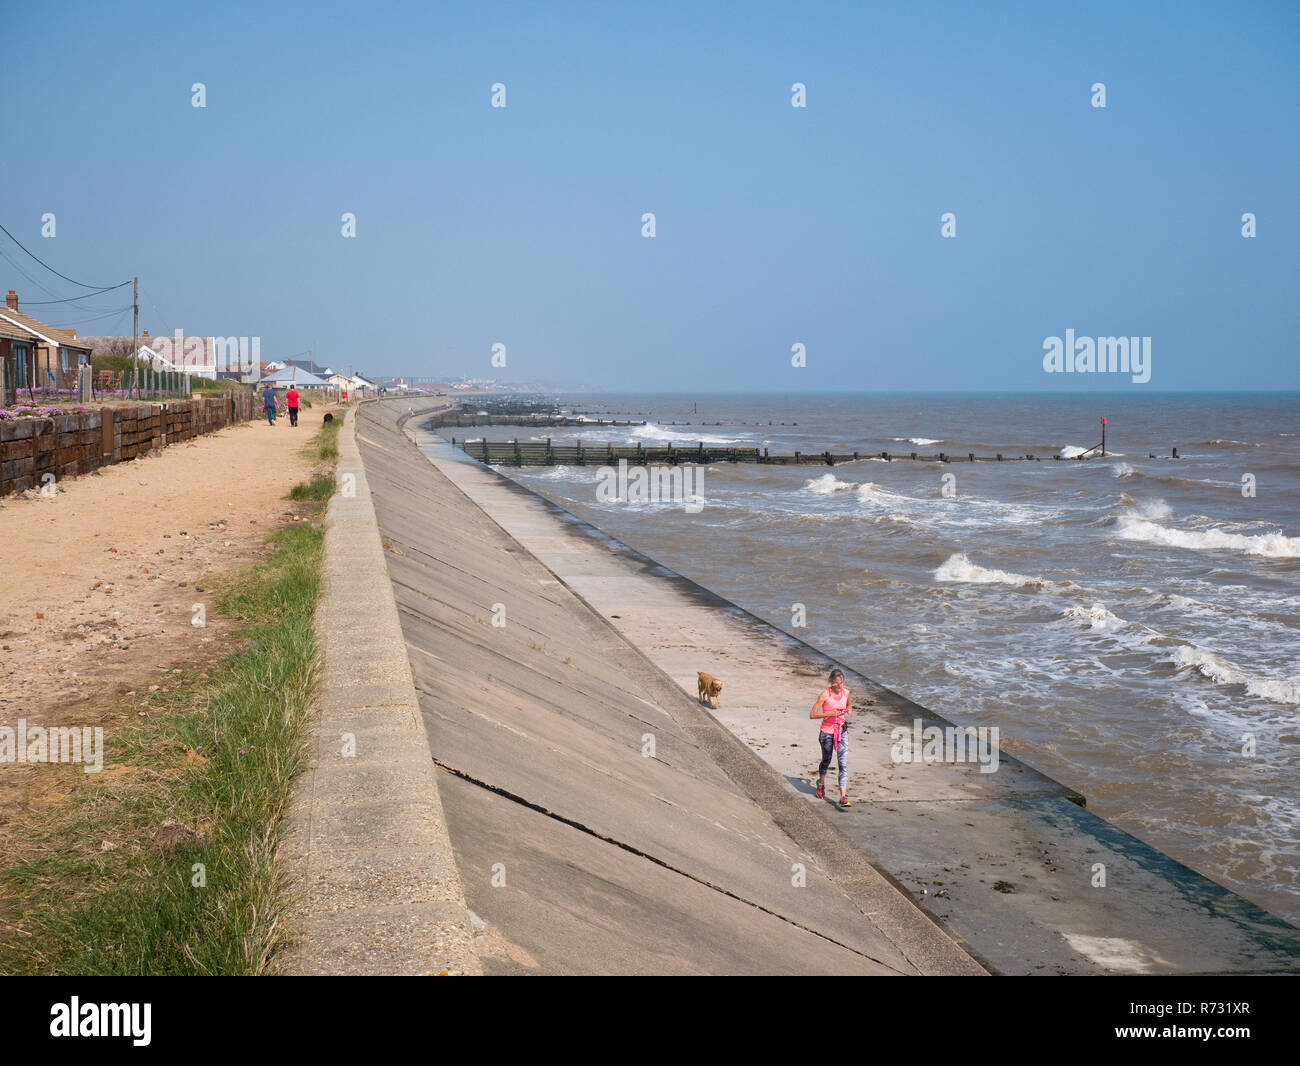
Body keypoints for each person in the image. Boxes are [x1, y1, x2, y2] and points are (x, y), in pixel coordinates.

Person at [810, 668, 852, 806]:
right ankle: (821, 783)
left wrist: (849, 709)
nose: (839, 687)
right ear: (831, 682)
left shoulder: (846, 693)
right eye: (836, 684)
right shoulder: (824, 695)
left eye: (841, 683)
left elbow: (848, 704)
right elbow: (813, 714)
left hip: (842, 732)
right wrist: (829, 714)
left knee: (843, 763)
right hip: (827, 732)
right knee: (826, 760)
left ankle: (843, 796)